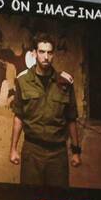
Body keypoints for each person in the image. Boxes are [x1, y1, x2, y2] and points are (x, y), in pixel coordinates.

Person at [9, 33, 81, 187]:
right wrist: (13, 149)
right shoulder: (23, 81)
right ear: (34, 53)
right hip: (32, 151)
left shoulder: (65, 82)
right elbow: (18, 117)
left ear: (53, 54)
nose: (45, 57)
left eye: (49, 52)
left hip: (57, 154)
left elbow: (71, 119)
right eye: (41, 52)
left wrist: (76, 151)